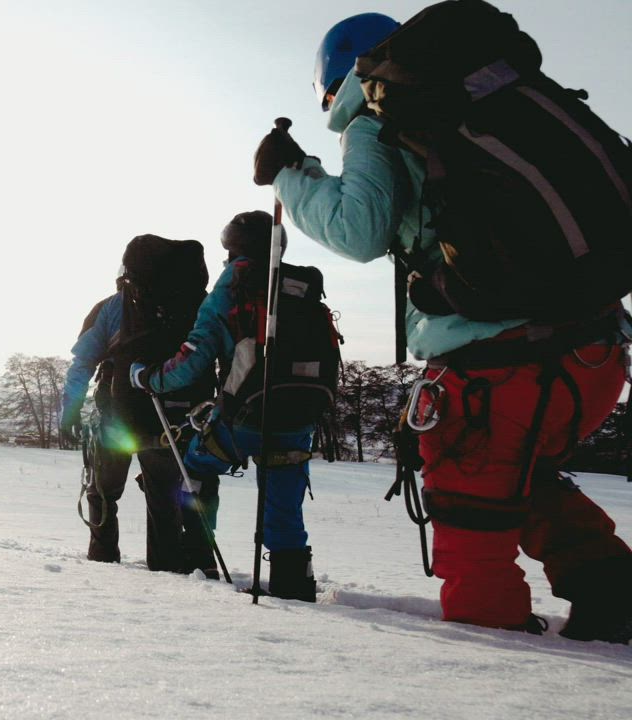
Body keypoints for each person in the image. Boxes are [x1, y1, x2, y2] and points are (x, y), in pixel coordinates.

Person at [252, 10, 632, 640]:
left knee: (470, 509)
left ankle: (491, 666)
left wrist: (291, 178)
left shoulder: (376, 119)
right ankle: (611, 598)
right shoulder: (487, 100)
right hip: (592, 352)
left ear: (336, 80)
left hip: (502, 366)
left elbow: (360, 229)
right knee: (524, 480)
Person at [131, 211, 337, 602]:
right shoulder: (300, 285)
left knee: (194, 467)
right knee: (284, 508)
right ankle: (293, 585)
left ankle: (198, 560)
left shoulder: (233, 284)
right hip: (298, 414)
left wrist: (149, 378)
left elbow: (193, 358)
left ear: (233, 247)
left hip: (244, 414)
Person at [60, 235, 222, 575]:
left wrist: (70, 411)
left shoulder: (113, 307)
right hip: (173, 423)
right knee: (164, 502)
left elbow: (82, 364)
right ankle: (166, 569)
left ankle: (102, 564)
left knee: (103, 492)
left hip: (119, 419)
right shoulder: (199, 305)